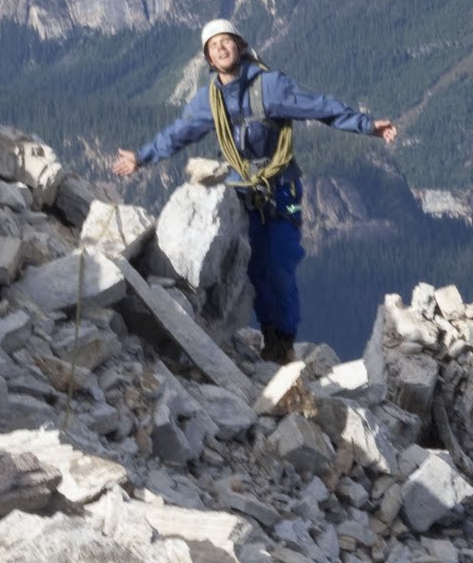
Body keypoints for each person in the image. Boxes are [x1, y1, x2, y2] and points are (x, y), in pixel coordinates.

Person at [112, 18, 397, 363]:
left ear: (240, 46)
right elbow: (178, 134)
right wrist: (141, 158)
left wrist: (367, 125)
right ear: (209, 60)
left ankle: (280, 343)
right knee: (245, 266)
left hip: (280, 190)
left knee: (278, 262)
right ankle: (220, 332)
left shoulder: (270, 87)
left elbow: (319, 106)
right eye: (213, 46)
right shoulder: (209, 101)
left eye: (226, 41)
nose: (220, 48)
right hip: (238, 192)